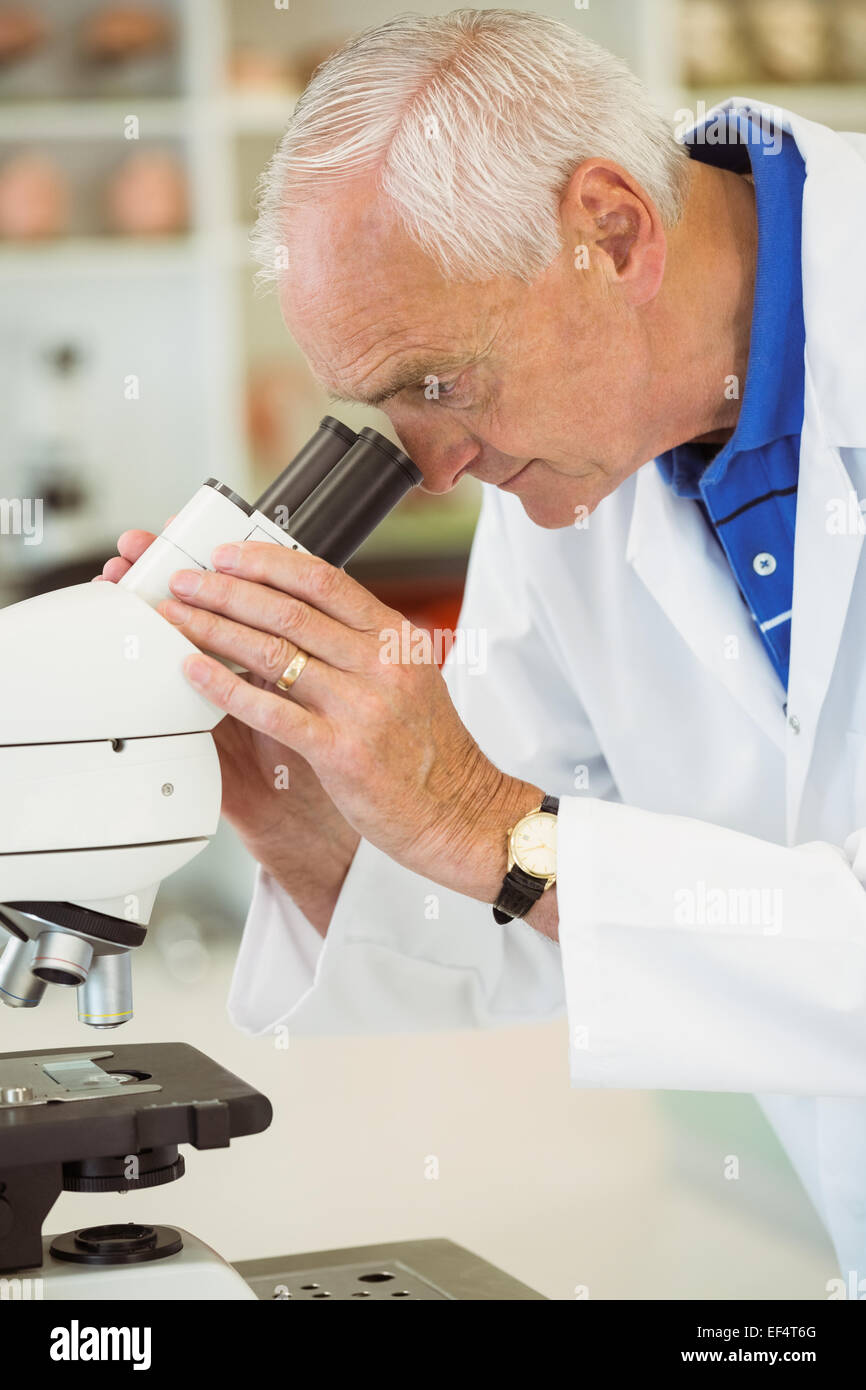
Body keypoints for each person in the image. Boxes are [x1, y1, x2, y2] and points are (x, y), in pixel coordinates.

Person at [102, 10, 866, 1277]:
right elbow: (522, 902)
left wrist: (472, 809)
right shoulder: (573, 449)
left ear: (610, 233)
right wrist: (295, 788)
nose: (437, 466)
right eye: (387, 407)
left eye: (438, 384)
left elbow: (510, 835)